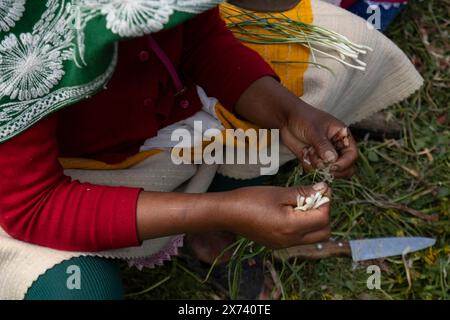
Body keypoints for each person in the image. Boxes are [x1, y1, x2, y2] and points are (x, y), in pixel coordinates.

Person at [0, 0, 422, 300]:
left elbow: (201, 42)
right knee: (77, 290)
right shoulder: (18, 43)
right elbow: (32, 206)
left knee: (342, 51)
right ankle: (209, 213)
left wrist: (288, 112)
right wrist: (225, 207)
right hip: (45, 187)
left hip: (159, 120)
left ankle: (209, 226)